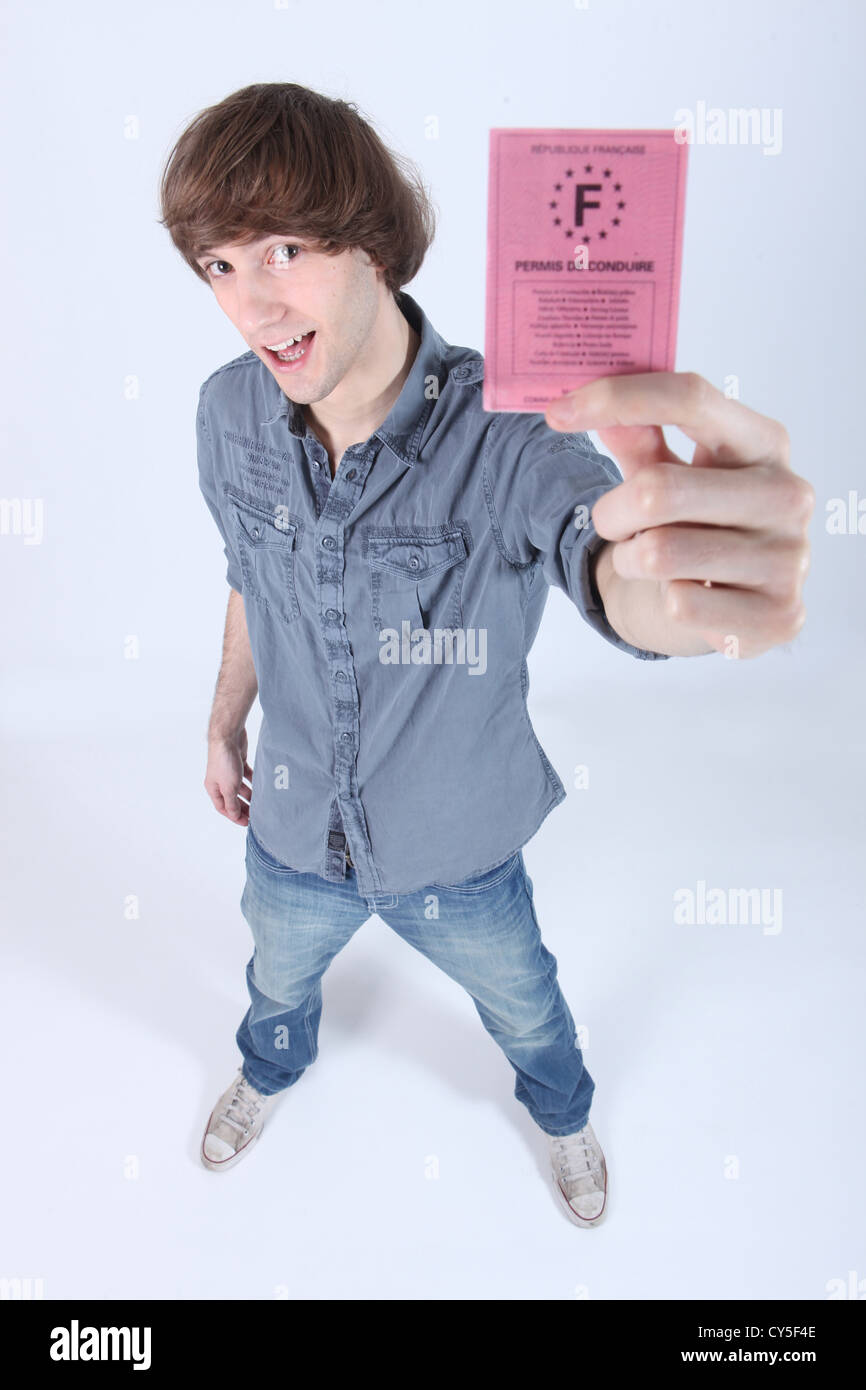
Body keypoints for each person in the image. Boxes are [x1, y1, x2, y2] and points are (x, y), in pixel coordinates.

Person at [158, 83, 813, 1229]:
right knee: (274, 979)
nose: (251, 304)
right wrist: (223, 720)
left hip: (456, 847)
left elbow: (596, 559)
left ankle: (561, 1114)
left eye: (281, 249)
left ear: (371, 245)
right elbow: (248, 577)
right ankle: (269, 1071)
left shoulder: (513, 434)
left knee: (525, 1005)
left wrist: (670, 589)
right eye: (218, 265)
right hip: (294, 828)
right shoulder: (225, 413)